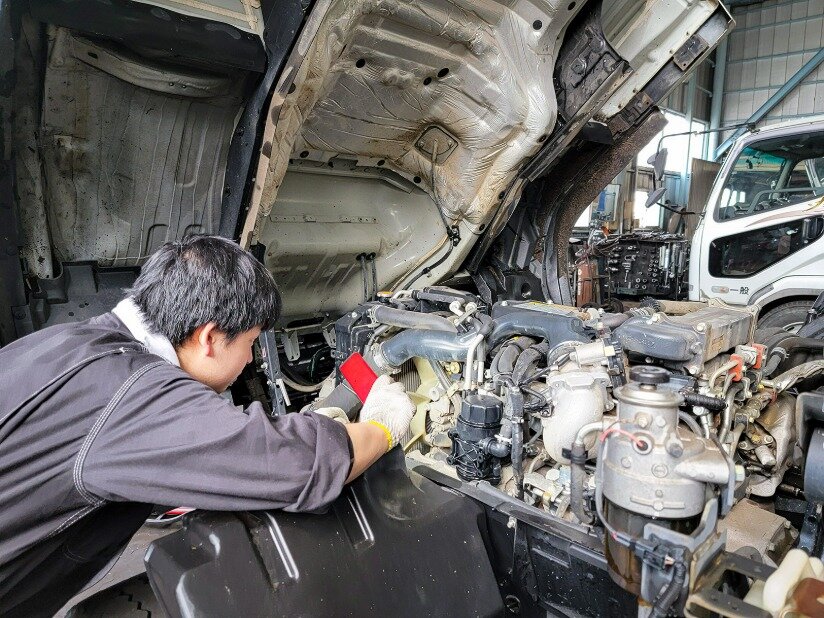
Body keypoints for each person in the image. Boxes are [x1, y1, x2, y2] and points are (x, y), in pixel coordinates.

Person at [0, 235, 415, 617]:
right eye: (250, 343)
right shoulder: (128, 391)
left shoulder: (68, 342)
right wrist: (381, 428)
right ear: (210, 337)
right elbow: (297, 465)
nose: (250, 360)